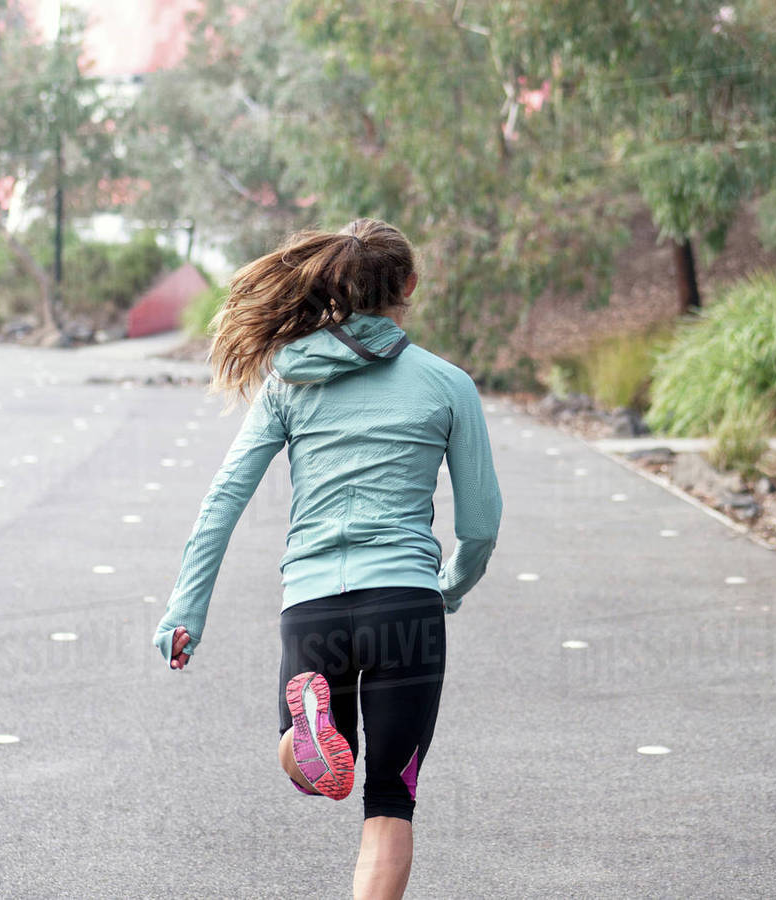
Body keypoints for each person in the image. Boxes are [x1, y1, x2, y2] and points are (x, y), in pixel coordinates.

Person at [152, 217, 502, 900]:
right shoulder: (447, 384)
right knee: (390, 802)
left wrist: (184, 610)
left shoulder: (290, 380)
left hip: (312, 606)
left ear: (337, 284)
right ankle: (317, 735)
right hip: (405, 603)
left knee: (311, 762)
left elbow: (224, 500)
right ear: (409, 285)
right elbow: (482, 528)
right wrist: (449, 587)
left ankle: (305, 734)